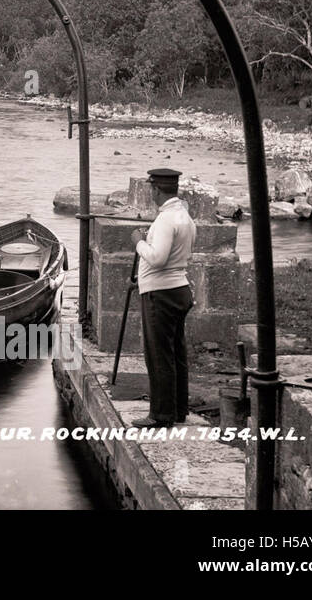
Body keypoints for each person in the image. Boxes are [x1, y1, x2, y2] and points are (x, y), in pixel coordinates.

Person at [130, 168, 197, 429]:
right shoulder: (185, 217)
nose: (150, 192)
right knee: (176, 352)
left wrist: (138, 241)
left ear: (156, 189)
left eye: (150, 189)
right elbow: (184, 254)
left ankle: (161, 414)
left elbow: (157, 259)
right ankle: (179, 409)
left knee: (159, 355)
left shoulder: (167, 220)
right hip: (179, 288)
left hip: (161, 293)